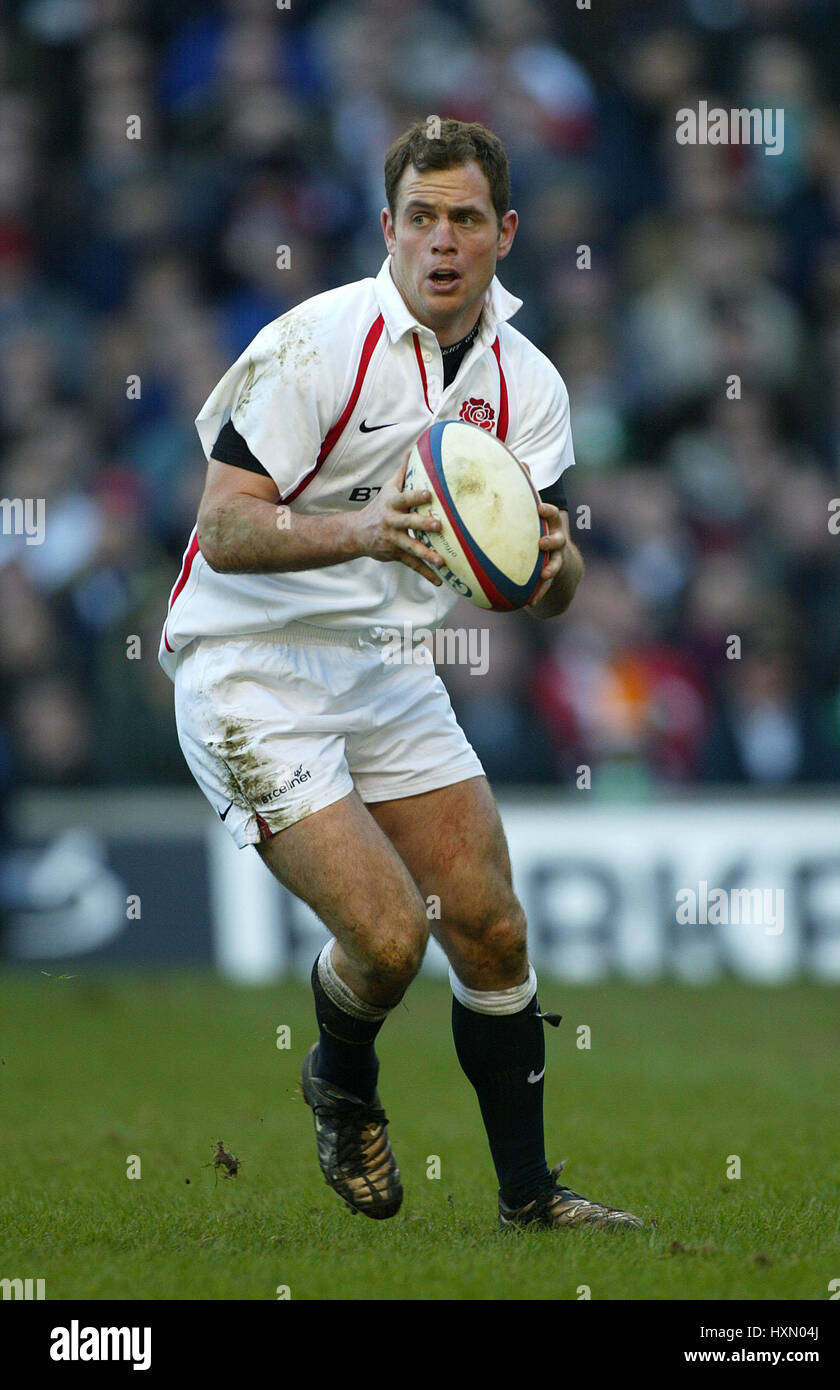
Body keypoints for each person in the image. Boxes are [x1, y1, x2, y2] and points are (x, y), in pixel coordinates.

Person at [159, 118, 642, 1231]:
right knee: (387, 939)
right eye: (419, 217)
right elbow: (222, 530)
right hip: (249, 670)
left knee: (491, 925)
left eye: (464, 218)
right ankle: (340, 1079)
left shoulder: (529, 384)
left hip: (386, 666)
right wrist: (366, 531)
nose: (440, 240)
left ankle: (530, 1200)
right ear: (386, 228)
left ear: (504, 234)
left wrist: (558, 566)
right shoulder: (313, 345)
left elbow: (531, 585)